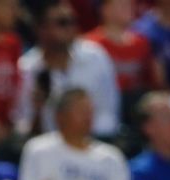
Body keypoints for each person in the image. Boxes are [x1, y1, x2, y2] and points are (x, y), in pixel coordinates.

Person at [12, 0, 121, 138]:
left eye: (73, 21)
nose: (71, 27)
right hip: (48, 146)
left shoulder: (96, 57)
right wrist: (37, 110)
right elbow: (22, 127)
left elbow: (108, 113)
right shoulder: (27, 68)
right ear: (42, 29)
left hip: (95, 143)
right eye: (62, 22)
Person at [18, 88, 131, 180]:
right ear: (60, 116)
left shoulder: (111, 156)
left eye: (90, 111)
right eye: (81, 111)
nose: (88, 117)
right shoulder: (39, 149)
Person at [84, 0, 162, 94]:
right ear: (105, 9)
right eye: (122, 4)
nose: (129, 8)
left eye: (130, 4)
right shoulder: (90, 44)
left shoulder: (142, 42)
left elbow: (153, 82)